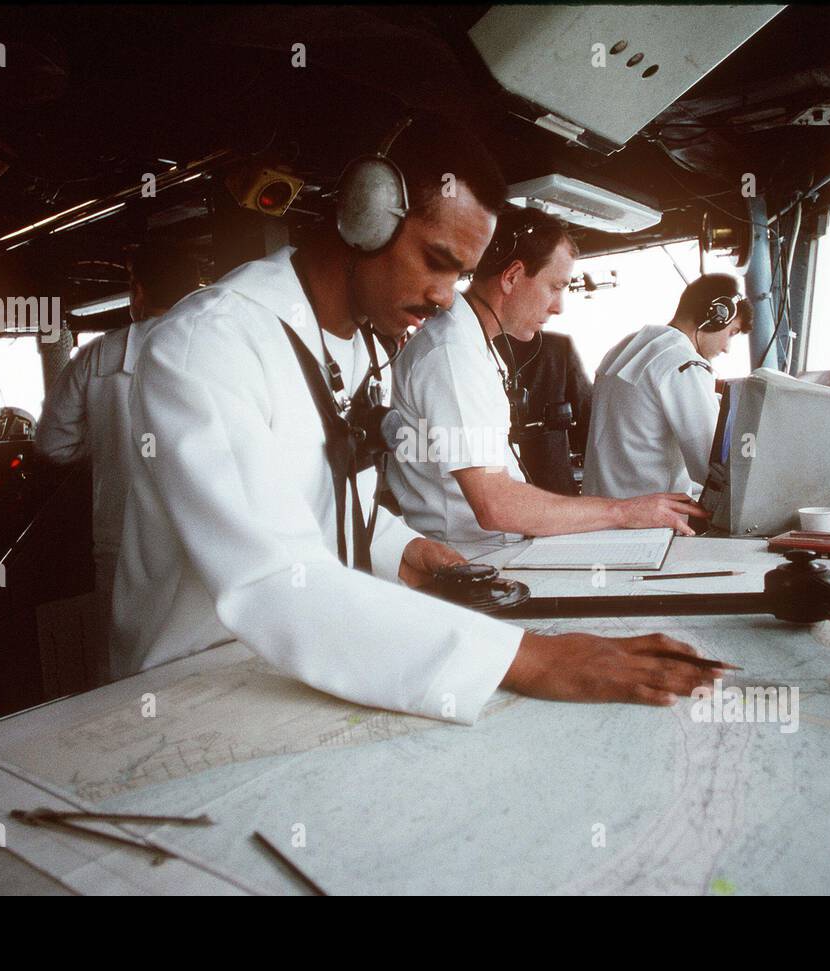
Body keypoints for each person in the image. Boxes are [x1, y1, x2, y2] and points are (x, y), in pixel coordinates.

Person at [110, 115, 721, 721]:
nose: (446, 296)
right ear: (364, 220)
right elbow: (273, 577)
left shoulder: (353, 345)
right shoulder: (207, 345)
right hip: (195, 687)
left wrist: (403, 548)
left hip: (308, 658)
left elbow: (322, 502)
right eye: (436, 260)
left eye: (459, 273)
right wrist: (531, 659)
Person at [387, 206, 707, 544]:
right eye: (555, 286)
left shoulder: (475, 346)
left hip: (494, 550)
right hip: (472, 561)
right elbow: (495, 505)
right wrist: (625, 511)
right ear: (511, 277)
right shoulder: (452, 354)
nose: (559, 306)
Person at [36, 242, 201, 682]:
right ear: (196, 292)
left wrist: (109, 444)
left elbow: (52, 444)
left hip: (119, 535)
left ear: (137, 291)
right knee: (204, 660)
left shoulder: (95, 358)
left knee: (123, 662)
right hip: (202, 534)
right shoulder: (214, 348)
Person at [584, 273, 753, 501]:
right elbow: (715, 467)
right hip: (647, 524)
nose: (727, 348)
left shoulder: (624, 349)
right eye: (731, 333)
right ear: (715, 316)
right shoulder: (683, 363)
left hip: (600, 511)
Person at [491, 329, 592, 495]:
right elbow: (588, 422)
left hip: (498, 485)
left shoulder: (474, 347)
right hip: (552, 487)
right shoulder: (558, 347)